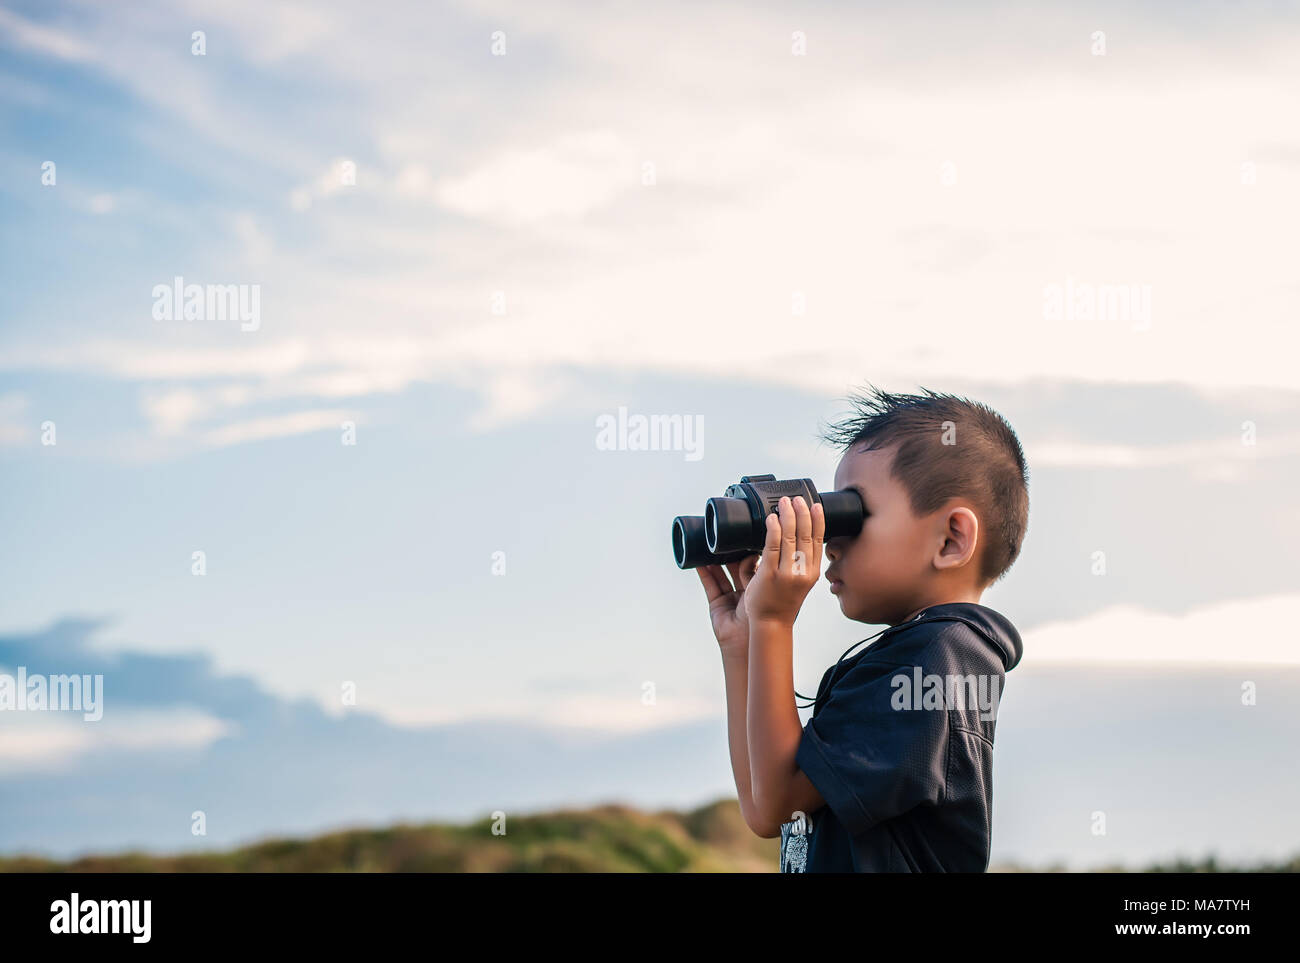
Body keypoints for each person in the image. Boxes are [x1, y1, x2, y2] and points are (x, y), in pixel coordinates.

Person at [697, 385, 1029, 871]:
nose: (831, 543)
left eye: (851, 513)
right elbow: (763, 806)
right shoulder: (918, 656)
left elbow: (775, 801)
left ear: (952, 538)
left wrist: (773, 620)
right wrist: (743, 643)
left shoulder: (936, 661)